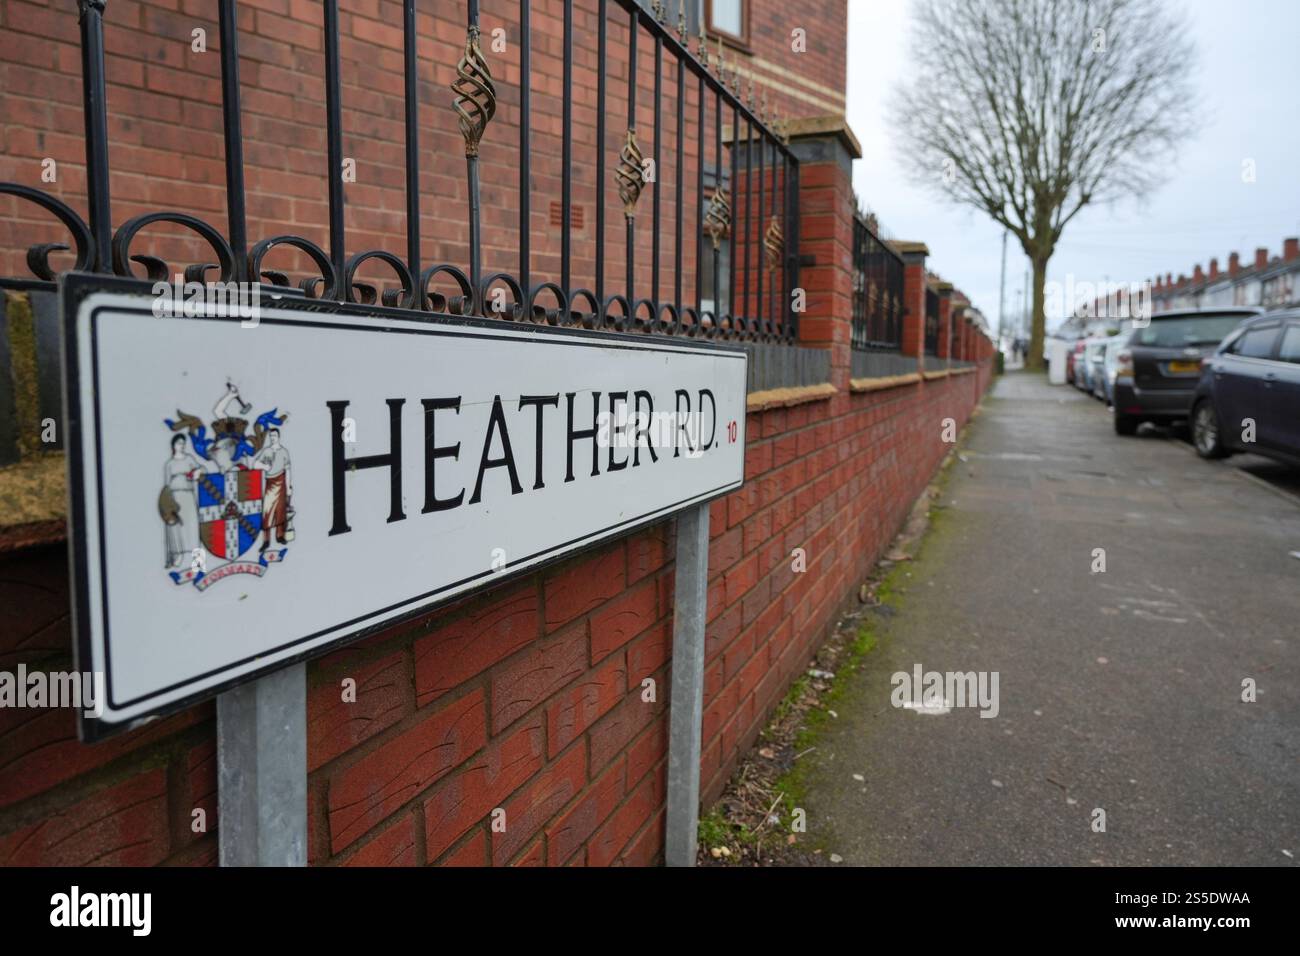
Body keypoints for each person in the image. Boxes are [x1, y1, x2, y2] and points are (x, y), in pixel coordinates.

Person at [160, 433, 203, 568]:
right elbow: (166, 485)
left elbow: (201, 469)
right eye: (179, 443)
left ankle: (198, 562)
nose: (182, 446)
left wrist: (197, 473)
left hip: (188, 496)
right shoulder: (169, 464)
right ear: (173, 445)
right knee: (176, 528)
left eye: (183, 443)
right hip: (175, 498)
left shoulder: (189, 459)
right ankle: (177, 557)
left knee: (193, 527)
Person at [252, 428, 292, 551]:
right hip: (270, 483)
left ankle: (280, 536)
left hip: (281, 482)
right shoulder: (267, 451)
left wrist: (289, 486)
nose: (272, 437)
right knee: (267, 511)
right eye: (271, 436)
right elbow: (255, 464)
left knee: (281, 510)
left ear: (278, 436)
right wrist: (265, 466)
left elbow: (288, 470)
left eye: (274, 435)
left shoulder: (284, 451)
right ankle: (266, 540)